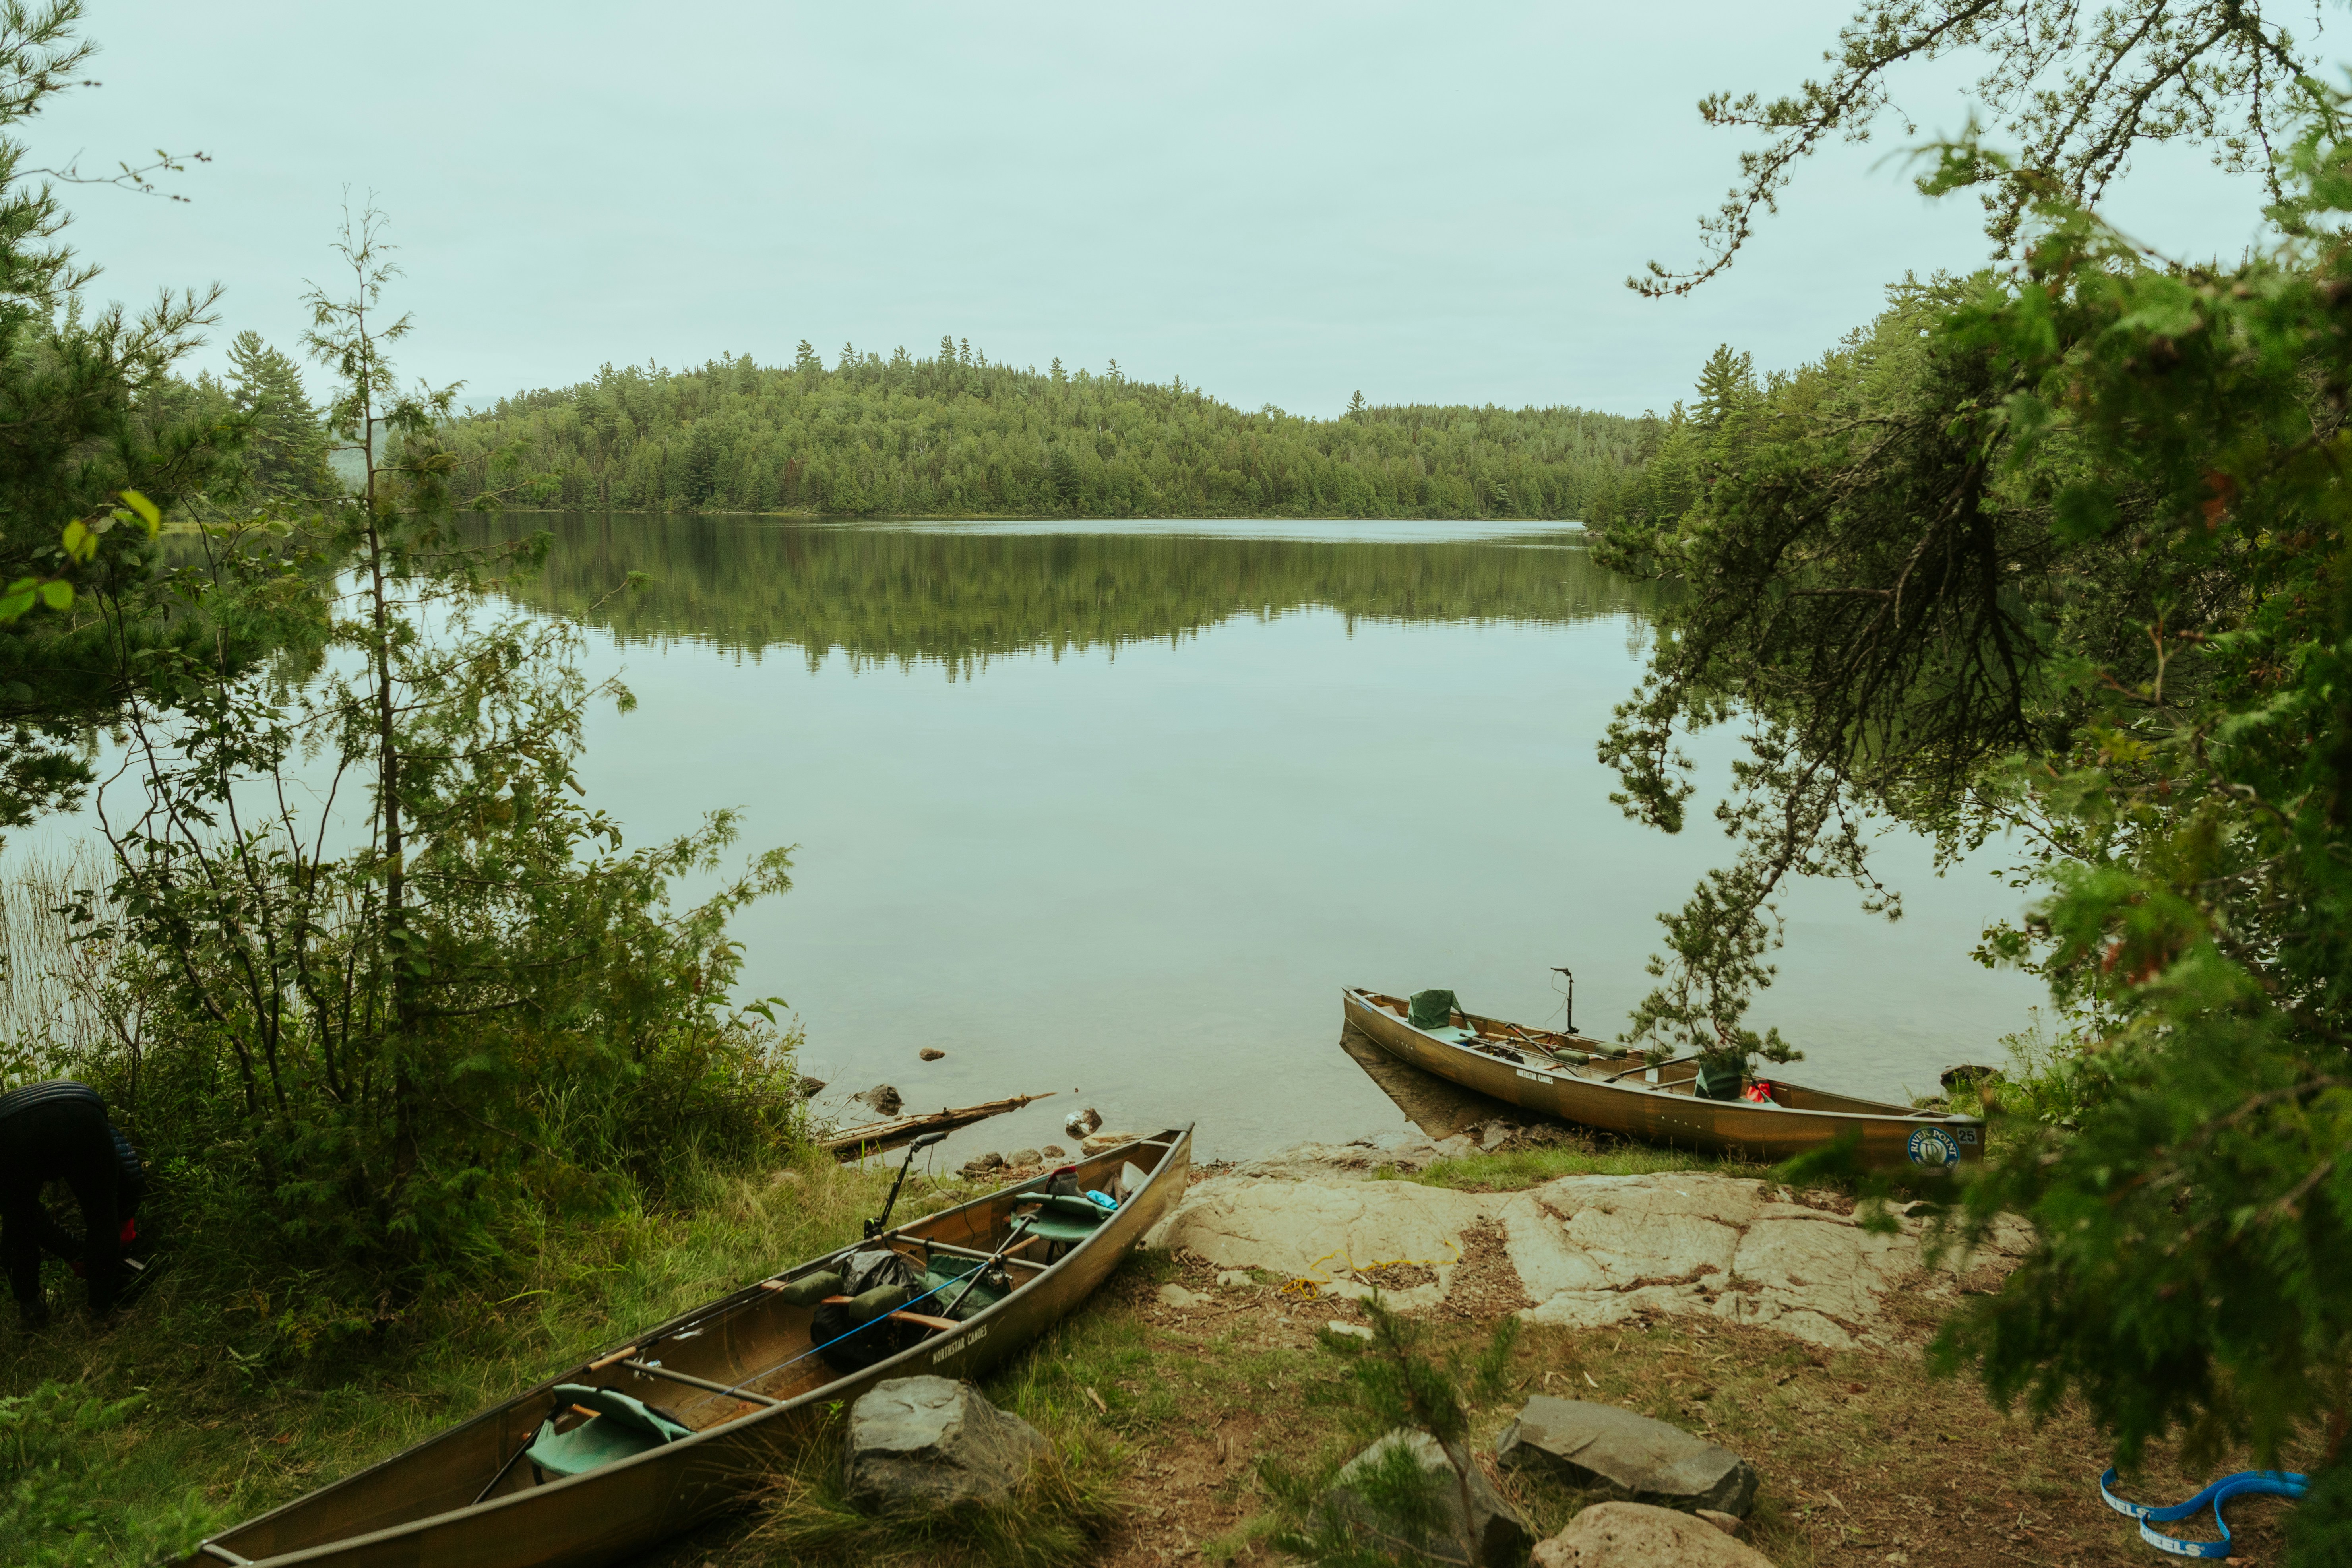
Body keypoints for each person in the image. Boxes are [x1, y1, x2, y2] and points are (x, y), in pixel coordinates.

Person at [0, 1080, 145, 1328]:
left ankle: (31, 1311)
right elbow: (128, 1173)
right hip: (80, 1115)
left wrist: (74, 1252)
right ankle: (99, 1314)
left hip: (8, 1131)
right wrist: (121, 1226)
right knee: (102, 1216)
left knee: (18, 1222)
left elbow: (32, 1218)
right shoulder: (109, 1136)